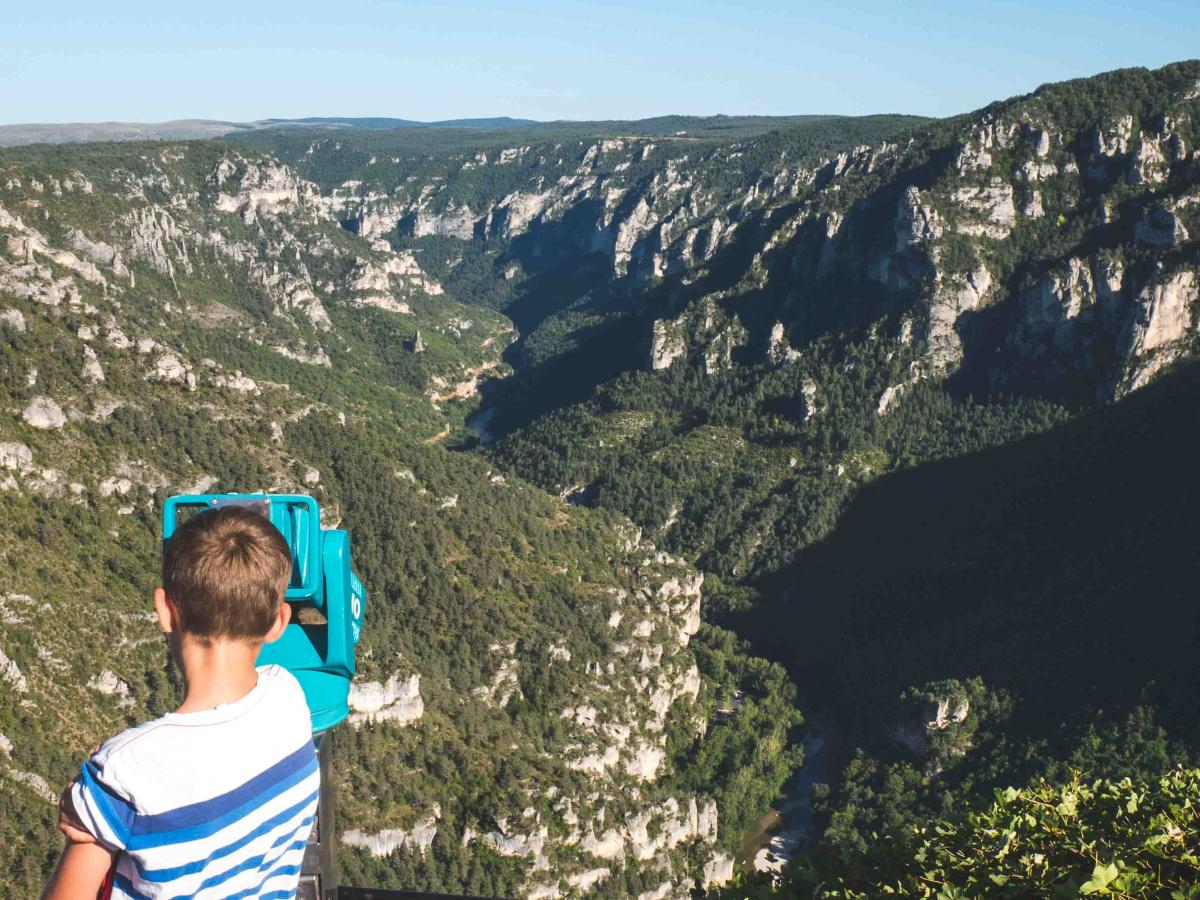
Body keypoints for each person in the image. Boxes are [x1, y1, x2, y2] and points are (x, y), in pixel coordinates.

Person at [43, 506, 320, 899]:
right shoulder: (290, 699)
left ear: (164, 609)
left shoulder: (128, 773)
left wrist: (97, 802)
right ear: (278, 622)